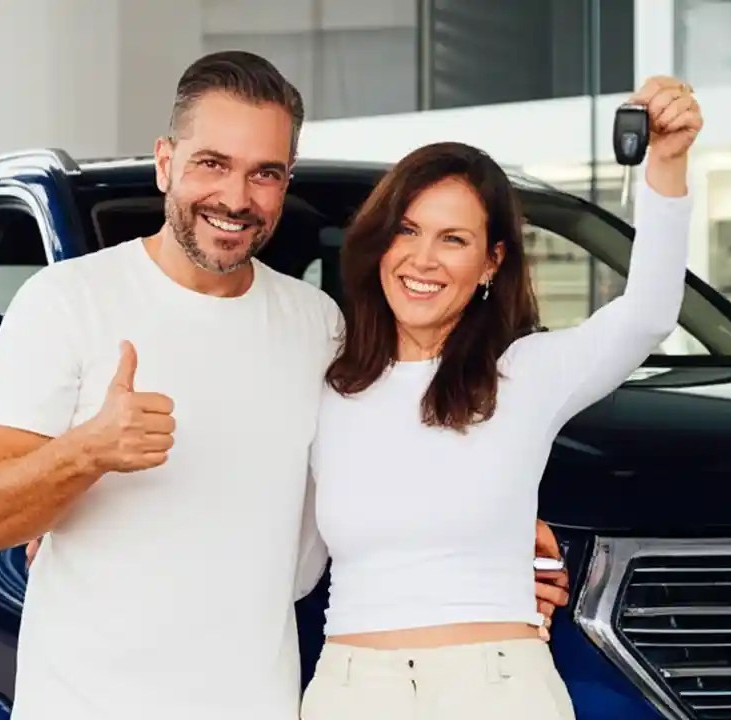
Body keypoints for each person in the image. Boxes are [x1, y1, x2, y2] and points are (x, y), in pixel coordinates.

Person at [0, 50, 568, 720]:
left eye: (264, 174)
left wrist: (494, 538)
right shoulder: (68, 302)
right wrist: (86, 452)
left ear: (284, 182)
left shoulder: (319, 328)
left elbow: (391, 458)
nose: (236, 199)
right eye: (212, 163)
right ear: (166, 162)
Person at [300, 77, 702, 720]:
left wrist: (669, 162)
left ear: (491, 263)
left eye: (453, 239)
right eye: (407, 231)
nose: (422, 259)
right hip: (352, 689)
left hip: (496, 688)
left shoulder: (525, 375)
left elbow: (648, 313)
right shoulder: (323, 379)